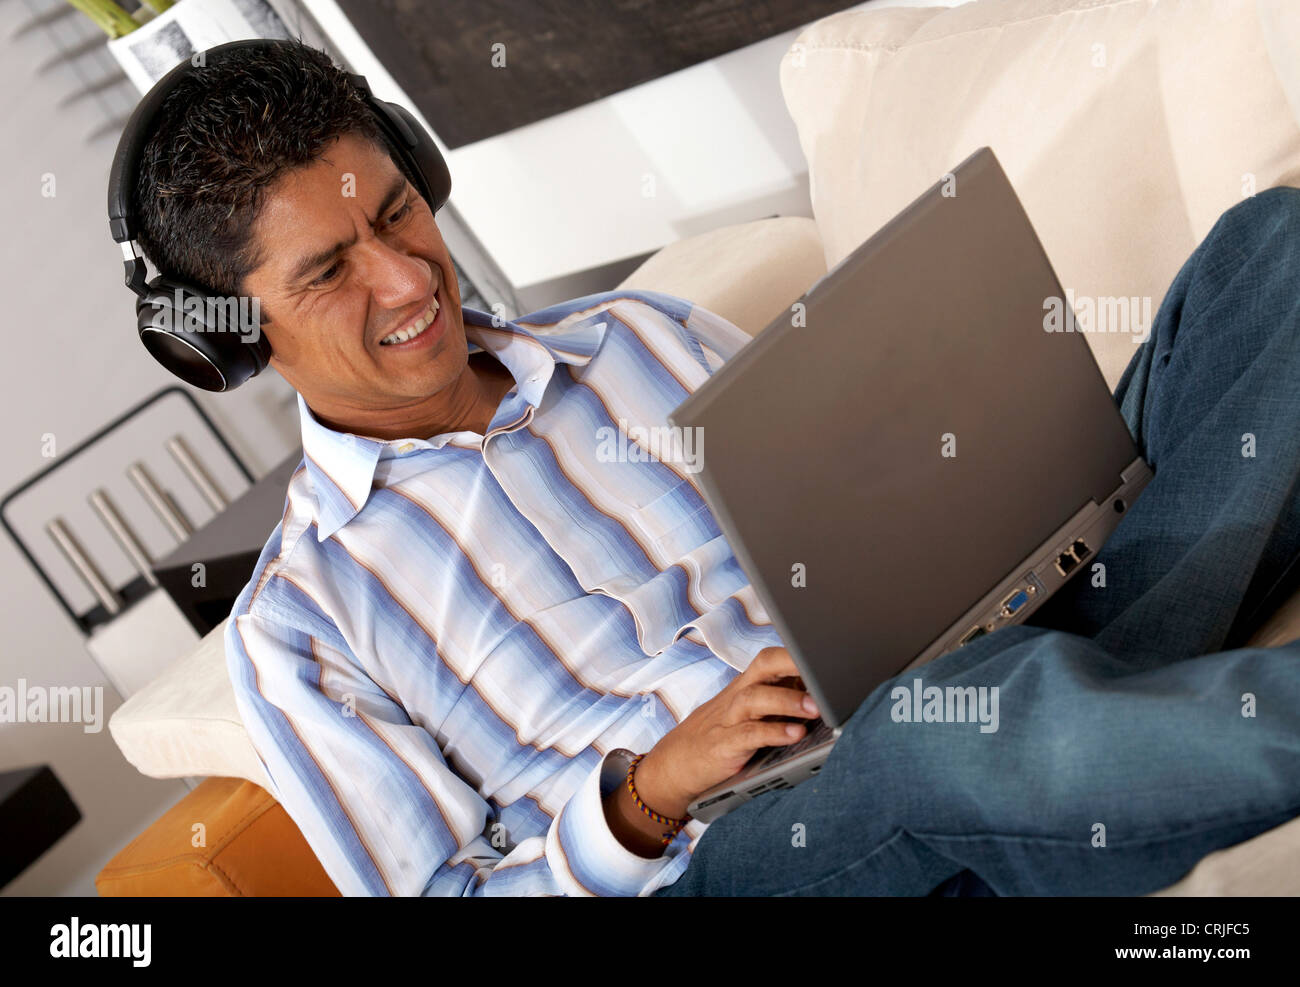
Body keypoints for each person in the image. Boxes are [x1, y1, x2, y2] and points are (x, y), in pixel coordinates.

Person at [132, 40, 1300, 896]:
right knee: (934, 734)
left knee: (1268, 258)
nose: (401, 281)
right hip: (753, 845)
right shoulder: (302, 628)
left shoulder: (633, 334)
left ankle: (1101, 717)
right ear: (229, 337)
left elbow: (857, 487)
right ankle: (1085, 721)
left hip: (952, 647)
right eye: (328, 272)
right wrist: (647, 793)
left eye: (398, 215)